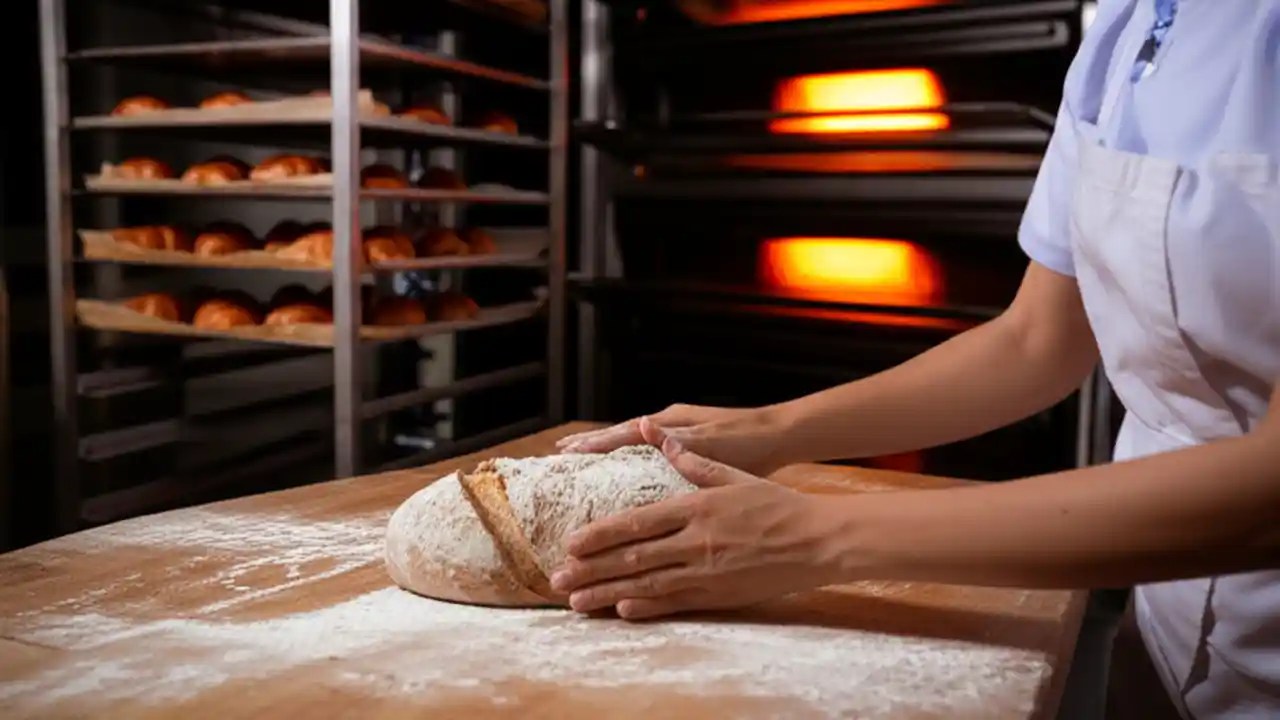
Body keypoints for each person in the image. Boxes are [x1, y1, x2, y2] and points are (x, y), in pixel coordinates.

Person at [548, 1, 1280, 717]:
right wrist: (772, 430)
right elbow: (1036, 340)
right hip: (1165, 635)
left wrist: (817, 536)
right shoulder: (1125, 29)